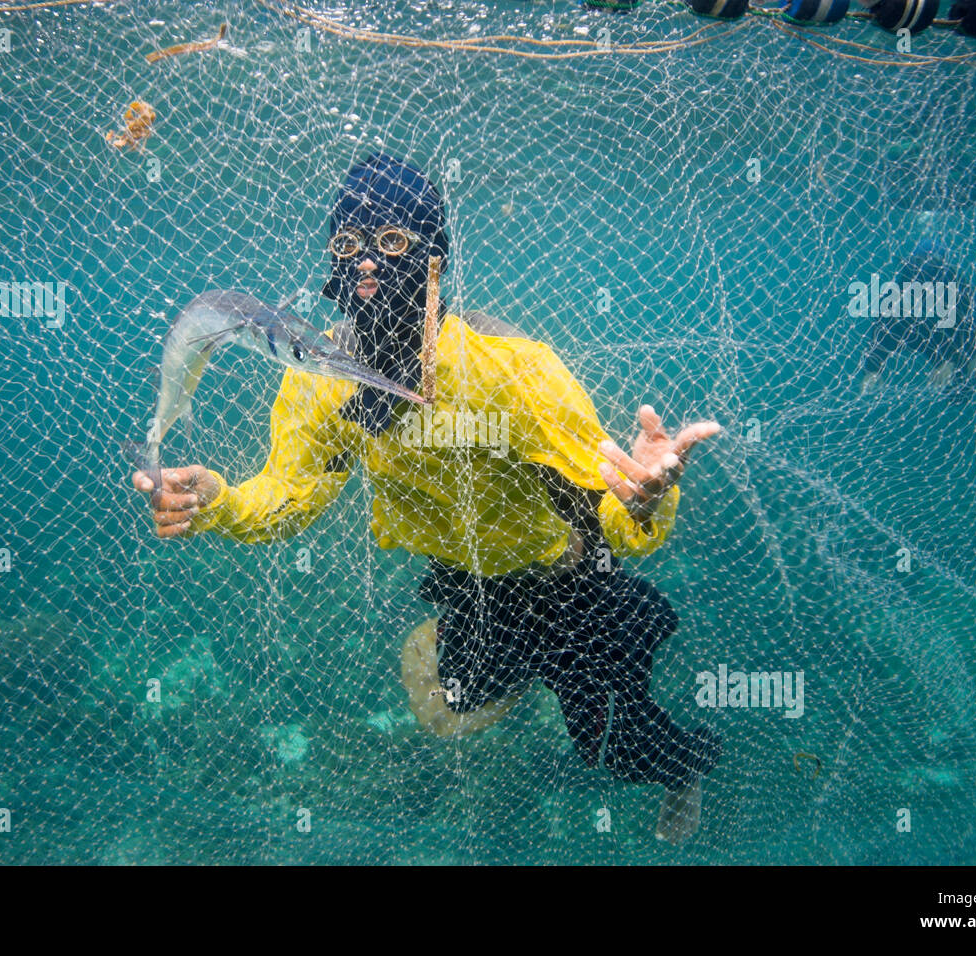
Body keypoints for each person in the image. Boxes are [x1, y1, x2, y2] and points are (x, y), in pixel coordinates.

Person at [131, 152, 723, 842]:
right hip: (468, 579)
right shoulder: (321, 374)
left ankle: (685, 767)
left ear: (433, 259)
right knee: (457, 701)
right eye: (347, 245)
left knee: (607, 744)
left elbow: (614, 510)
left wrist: (646, 494)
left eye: (391, 242)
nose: (366, 263)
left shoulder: (509, 369)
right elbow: (289, 496)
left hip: (567, 581)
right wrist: (220, 500)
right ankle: (477, 649)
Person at [858, 238, 976, 398]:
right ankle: (966, 356)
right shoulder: (907, 279)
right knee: (958, 389)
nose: (924, 268)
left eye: (929, 262)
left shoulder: (951, 281)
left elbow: (969, 318)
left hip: (949, 337)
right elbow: (885, 322)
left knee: (961, 391)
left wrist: (950, 358)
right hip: (922, 335)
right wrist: (873, 368)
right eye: (920, 261)